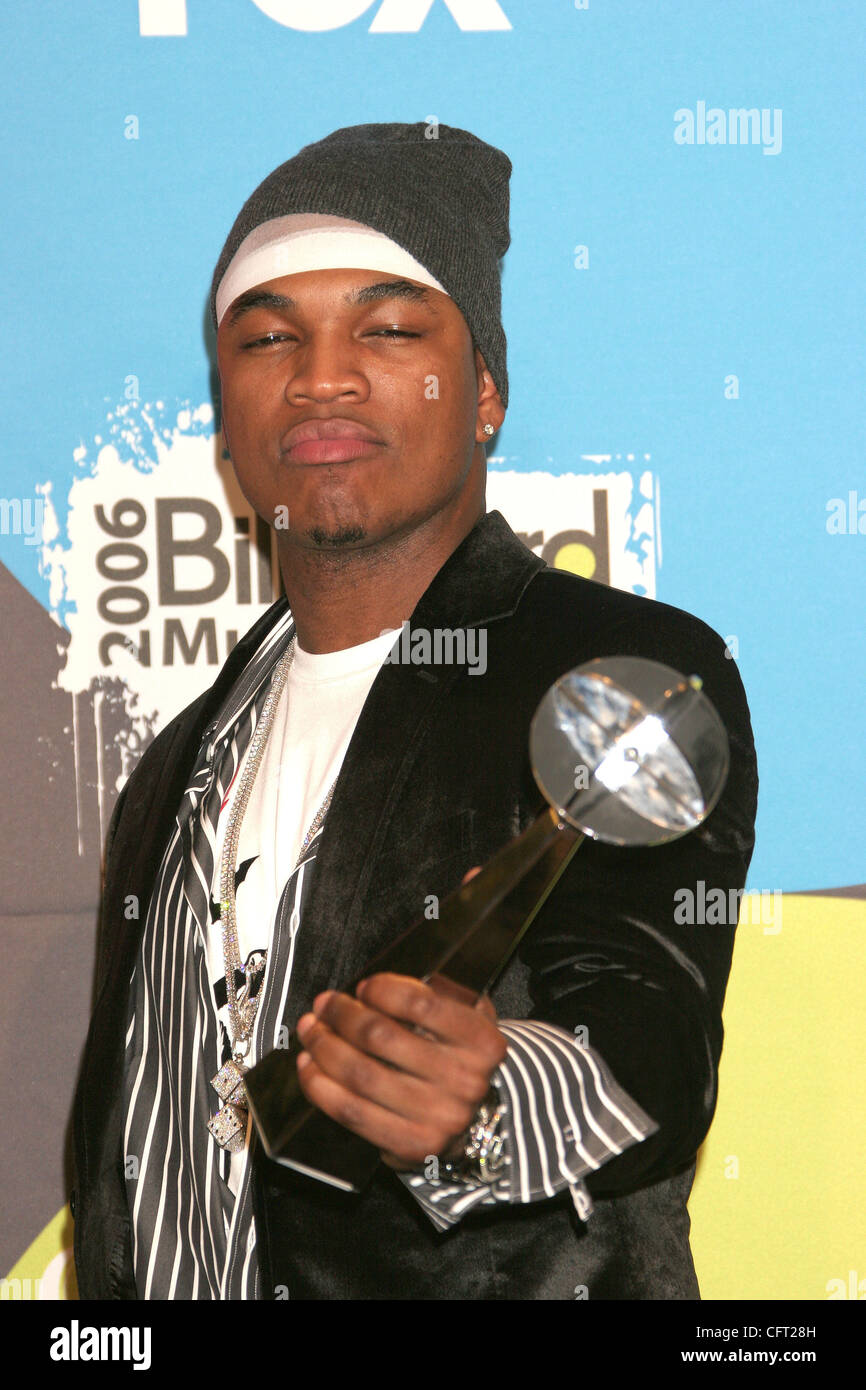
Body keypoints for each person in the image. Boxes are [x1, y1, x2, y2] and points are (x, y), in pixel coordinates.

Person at [71, 122, 758, 1301]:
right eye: (268, 335)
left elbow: (647, 1024)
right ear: (229, 420)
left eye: (386, 330)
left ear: (483, 392)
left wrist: (484, 1101)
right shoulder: (175, 766)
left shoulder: (615, 666)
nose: (320, 374)